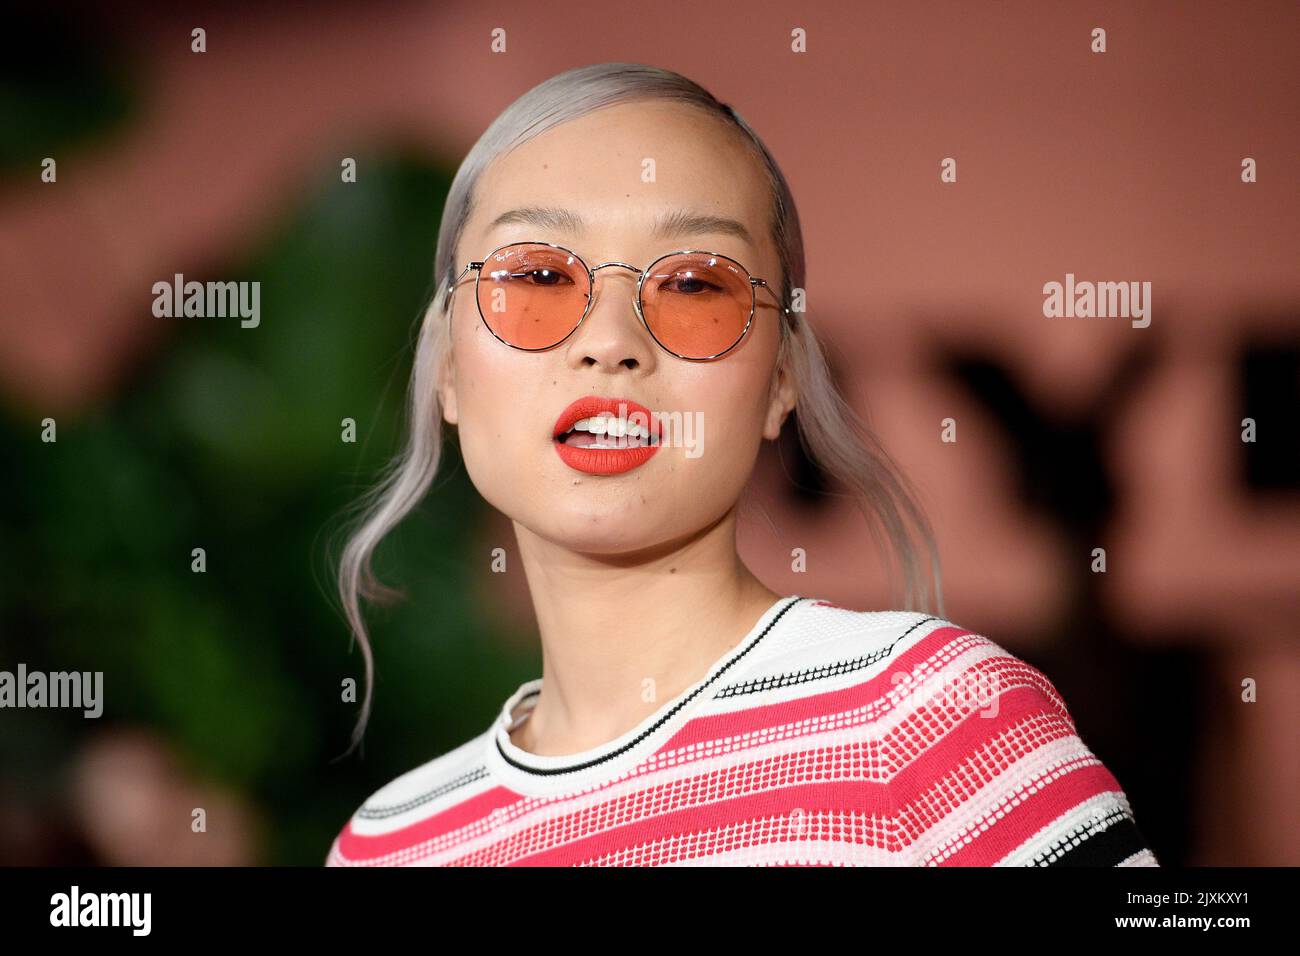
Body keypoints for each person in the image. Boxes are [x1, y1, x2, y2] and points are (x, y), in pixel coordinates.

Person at [325, 62, 1158, 867]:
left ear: (781, 382)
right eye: (538, 275)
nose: (610, 342)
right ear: (446, 369)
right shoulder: (390, 842)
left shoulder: (936, 723)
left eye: (693, 285)